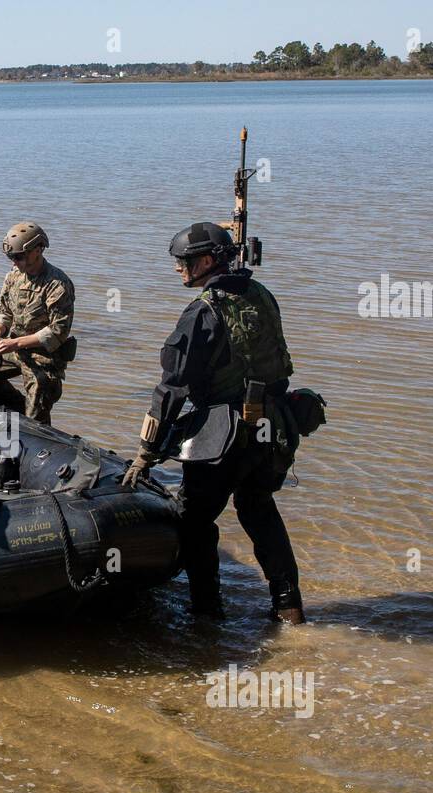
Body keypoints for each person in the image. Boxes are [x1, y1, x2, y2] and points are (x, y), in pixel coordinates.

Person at [122, 222, 305, 624]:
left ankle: (207, 614)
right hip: (271, 428)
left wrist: (144, 454)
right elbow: (278, 367)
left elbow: (172, 388)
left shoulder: (202, 312)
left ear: (206, 261)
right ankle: (289, 608)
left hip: (225, 434)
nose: (178, 269)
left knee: (193, 519)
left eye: (184, 261)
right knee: (259, 510)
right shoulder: (262, 295)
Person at [0, 221, 75, 425]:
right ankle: (20, 411)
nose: (14, 262)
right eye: (11, 257)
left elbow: (57, 331)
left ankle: (35, 421)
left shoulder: (57, 285)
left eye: (18, 257)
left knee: (38, 411)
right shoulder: (14, 276)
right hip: (14, 348)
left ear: (37, 250)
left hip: (45, 357)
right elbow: (4, 310)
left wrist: (14, 343)